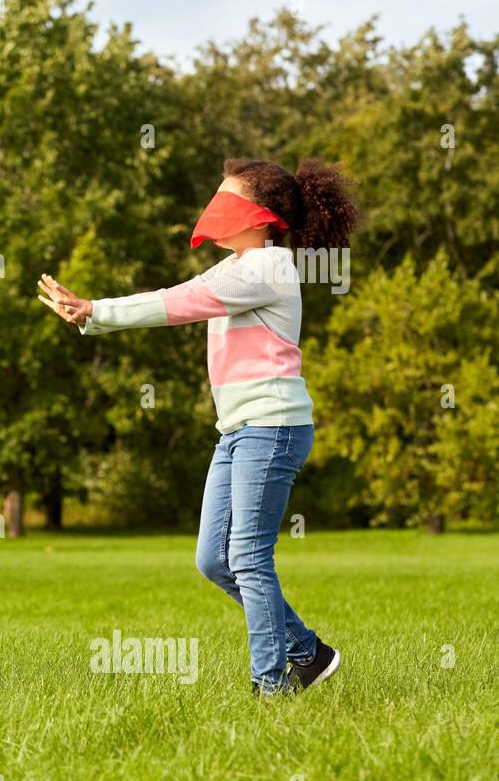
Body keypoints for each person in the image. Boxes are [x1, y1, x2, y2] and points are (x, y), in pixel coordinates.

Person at [38, 159, 359, 697]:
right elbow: (176, 292)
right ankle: (308, 653)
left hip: (271, 426)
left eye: (226, 198)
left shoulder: (268, 268)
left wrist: (96, 309)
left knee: (249, 557)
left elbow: (181, 305)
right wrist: (94, 313)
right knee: (214, 559)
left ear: (259, 215)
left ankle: (271, 686)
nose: (214, 208)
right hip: (237, 429)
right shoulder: (237, 266)